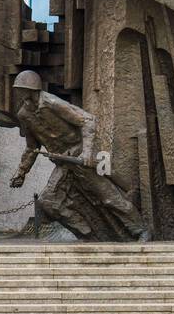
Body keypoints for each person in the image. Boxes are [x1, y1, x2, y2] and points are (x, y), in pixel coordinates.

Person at [9, 70, 149, 242]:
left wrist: (88, 152)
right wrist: (21, 172)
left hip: (79, 155)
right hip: (63, 162)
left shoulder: (52, 103)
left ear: (33, 89)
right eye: (19, 89)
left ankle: (141, 230)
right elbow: (32, 147)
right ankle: (88, 234)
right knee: (48, 202)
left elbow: (87, 121)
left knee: (109, 197)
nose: (20, 93)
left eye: (23, 89)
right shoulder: (24, 115)